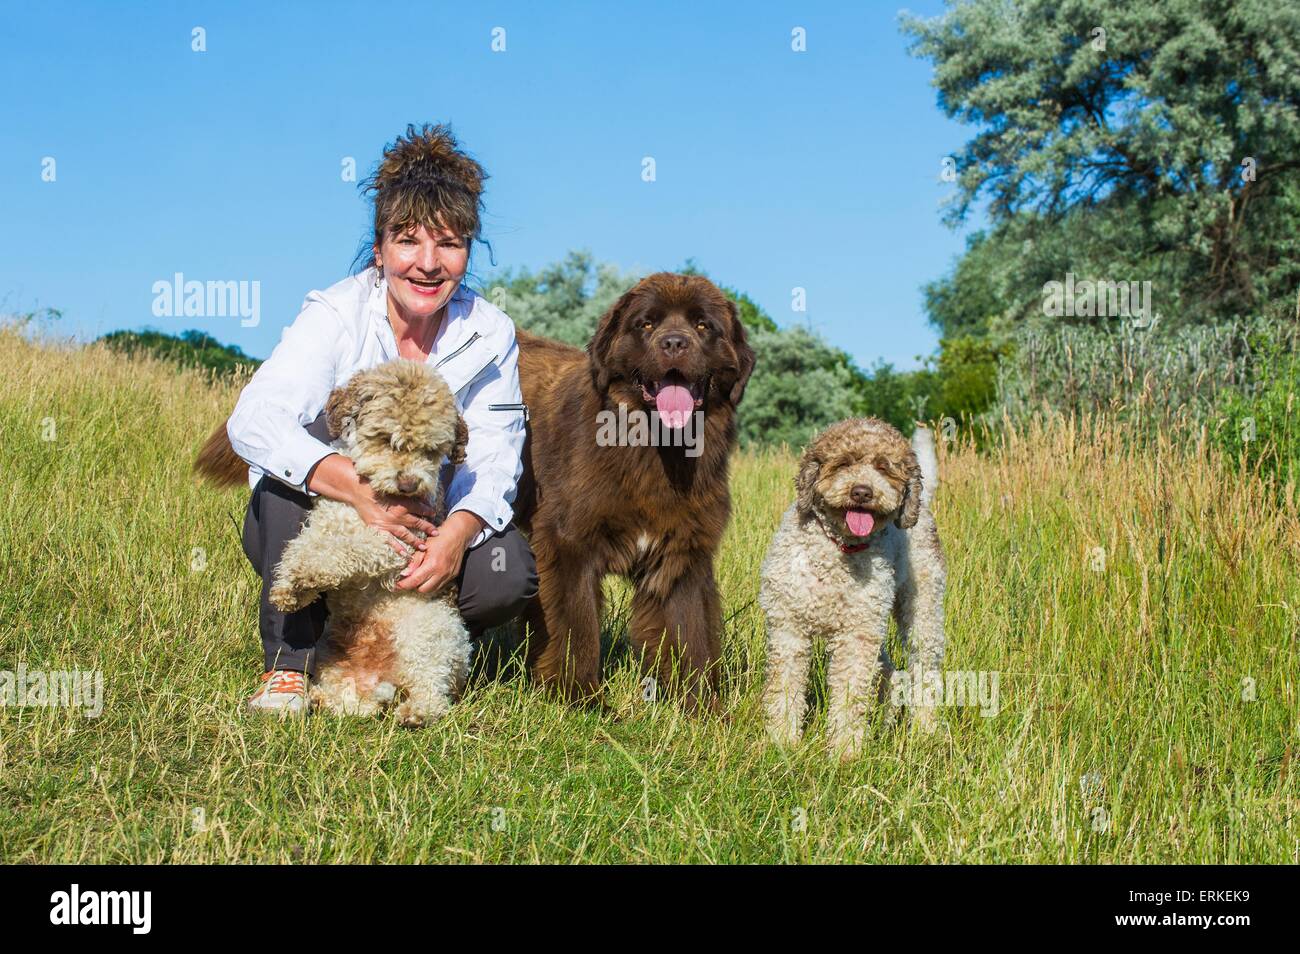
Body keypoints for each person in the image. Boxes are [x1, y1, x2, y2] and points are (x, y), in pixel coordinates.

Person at [228, 123, 537, 714]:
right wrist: (357, 490)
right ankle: (289, 665)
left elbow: (496, 452)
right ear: (379, 249)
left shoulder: (490, 331)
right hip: (316, 518)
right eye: (407, 241)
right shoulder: (336, 312)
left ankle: (394, 650)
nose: (427, 264)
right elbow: (255, 421)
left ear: (468, 252)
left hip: (427, 517)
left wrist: (455, 535)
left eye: (448, 244)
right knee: (300, 449)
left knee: (507, 574)